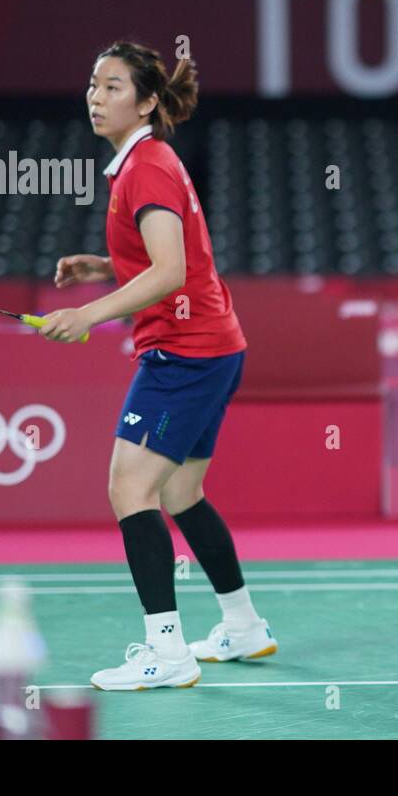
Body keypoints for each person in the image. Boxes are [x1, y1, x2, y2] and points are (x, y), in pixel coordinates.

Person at [40, 41, 275, 690]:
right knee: (179, 492)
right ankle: (244, 626)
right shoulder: (145, 162)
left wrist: (90, 313)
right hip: (216, 342)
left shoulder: (146, 168)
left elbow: (171, 272)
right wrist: (104, 268)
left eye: (113, 87)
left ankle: (166, 652)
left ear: (145, 102)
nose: (95, 96)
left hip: (185, 351)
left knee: (129, 489)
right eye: (93, 84)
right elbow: (174, 262)